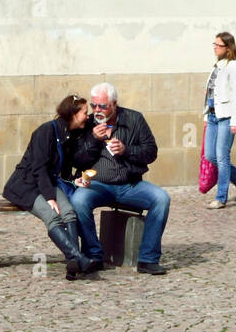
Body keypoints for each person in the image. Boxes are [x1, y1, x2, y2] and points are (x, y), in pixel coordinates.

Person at [70, 83, 171, 275]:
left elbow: (151, 152)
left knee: (161, 198)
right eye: (94, 106)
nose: (97, 110)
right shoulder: (88, 124)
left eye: (102, 106)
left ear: (114, 104)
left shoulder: (134, 119)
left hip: (129, 184)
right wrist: (92, 139)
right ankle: (93, 255)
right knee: (78, 200)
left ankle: (148, 259)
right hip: (96, 185)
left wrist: (127, 150)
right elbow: (77, 159)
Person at [3, 95, 100, 279]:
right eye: (84, 113)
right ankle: (77, 258)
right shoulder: (46, 131)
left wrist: (74, 180)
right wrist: (50, 197)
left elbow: (63, 167)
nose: (87, 116)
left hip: (49, 182)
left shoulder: (69, 135)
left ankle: (74, 264)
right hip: (27, 185)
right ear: (72, 113)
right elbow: (39, 167)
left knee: (69, 213)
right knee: (53, 218)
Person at [202, 30, 236, 209]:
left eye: (219, 45)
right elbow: (210, 92)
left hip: (226, 116)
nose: (215, 48)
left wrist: (235, 121)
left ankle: (221, 197)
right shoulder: (218, 65)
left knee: (222, 157)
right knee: (210, 154)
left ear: (228, 47)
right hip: (213, 115)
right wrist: (206, 114)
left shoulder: (234, 66)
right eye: (214, 44)